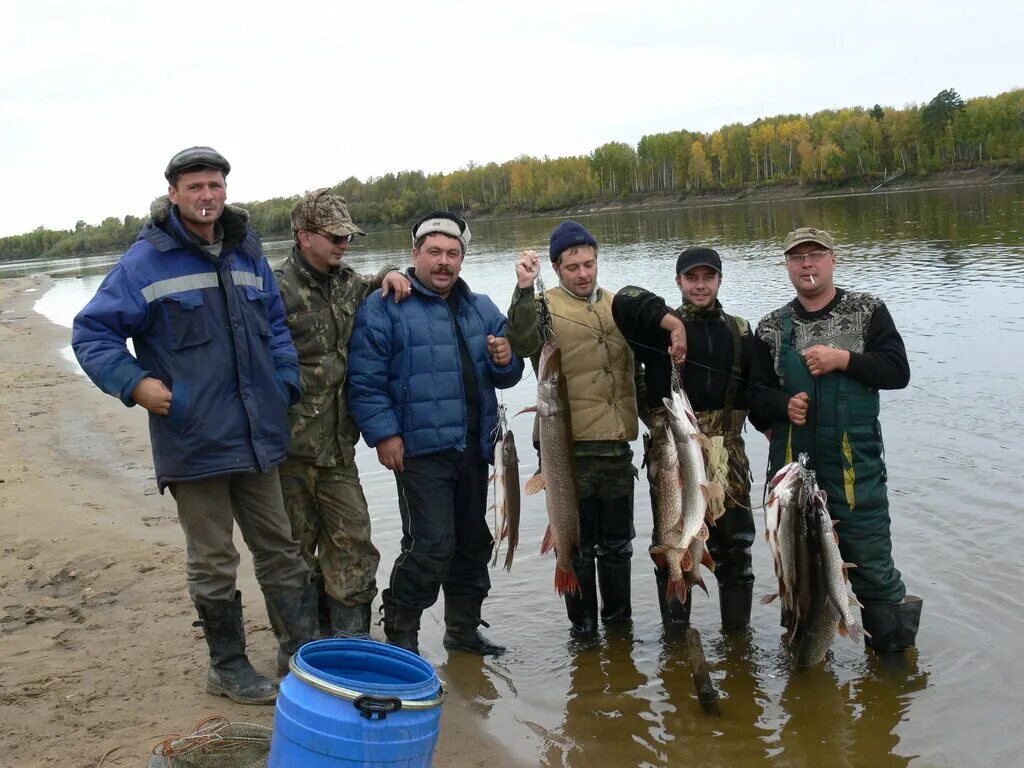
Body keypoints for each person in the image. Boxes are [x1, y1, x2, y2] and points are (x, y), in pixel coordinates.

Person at [72, 147, 318, 705]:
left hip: (258, 436)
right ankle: (227, 667)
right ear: (174, 194)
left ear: (225, 190)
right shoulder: (143, 263)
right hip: (194, 438)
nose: (207, 196)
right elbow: (92, 333)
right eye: (196, 187)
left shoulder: (247, 252)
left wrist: (284, 379)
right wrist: (135, 384)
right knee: (214, 559)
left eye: (215, 185)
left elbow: (276, 325)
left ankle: (300, 652)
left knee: (280, 548)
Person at [347, 211, 524, 655]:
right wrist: (385, 434)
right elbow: (365, 381)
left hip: (474, 449)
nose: (443, 262)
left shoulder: (481, 308)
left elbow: (509, 374)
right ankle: (401, 633)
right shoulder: (386, 306)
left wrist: (506, 358)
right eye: (434, 253)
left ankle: (461, 631)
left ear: (463, 258)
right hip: (419, 451)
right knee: (431, 545)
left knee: (473, 543)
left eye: (452, 253)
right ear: (415, 255)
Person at [748, 226, 922, 653]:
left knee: (875, 573)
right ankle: (807, 662)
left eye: (815, 254)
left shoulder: (867, 311)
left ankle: (892, 678)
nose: (807, 263)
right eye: (797, 257)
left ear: (833, 260)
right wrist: (782, 407)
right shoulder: (771, 328)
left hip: (854, 474)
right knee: (797, 575)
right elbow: (752, 398)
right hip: (792, 479)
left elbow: (897, 371)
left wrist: (843, 359)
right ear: (788, 266)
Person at [274, 189, 411, 638]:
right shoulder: (273, 289)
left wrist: (392, 272)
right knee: (294, 555)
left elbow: (377, 279)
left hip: (337, 451)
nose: (343, 244)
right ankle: (298, 648)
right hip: (287, 453)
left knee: (354, 545)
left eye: (348, 237)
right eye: (334, 236)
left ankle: (350, 643)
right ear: (304, 235)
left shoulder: (349, 283)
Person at [612, 246, 765, 632]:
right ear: (678, 281)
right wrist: (674, 325)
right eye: (691, 278)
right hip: (673, 455)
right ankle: (677, 640)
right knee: (673, 545)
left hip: (727, 455)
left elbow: (757, 393)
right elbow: (625, 299)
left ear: (719, 280)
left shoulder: (741, 331)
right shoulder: (658, 328)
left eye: (708, 277)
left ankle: (737, 642)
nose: (700, 285)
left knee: (735, 550)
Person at [507, 221, 648, 638]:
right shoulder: (542, 306)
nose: (583, 273)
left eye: (589, 264)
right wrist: (522, 288)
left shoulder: (617, 306)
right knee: (576, 545)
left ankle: (619, 630)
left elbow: (637, 370)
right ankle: (584, 631)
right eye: (572, 267)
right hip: (566, 449)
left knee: (618, 547)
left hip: (617, 449)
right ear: (555, 268)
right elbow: (520, 340)